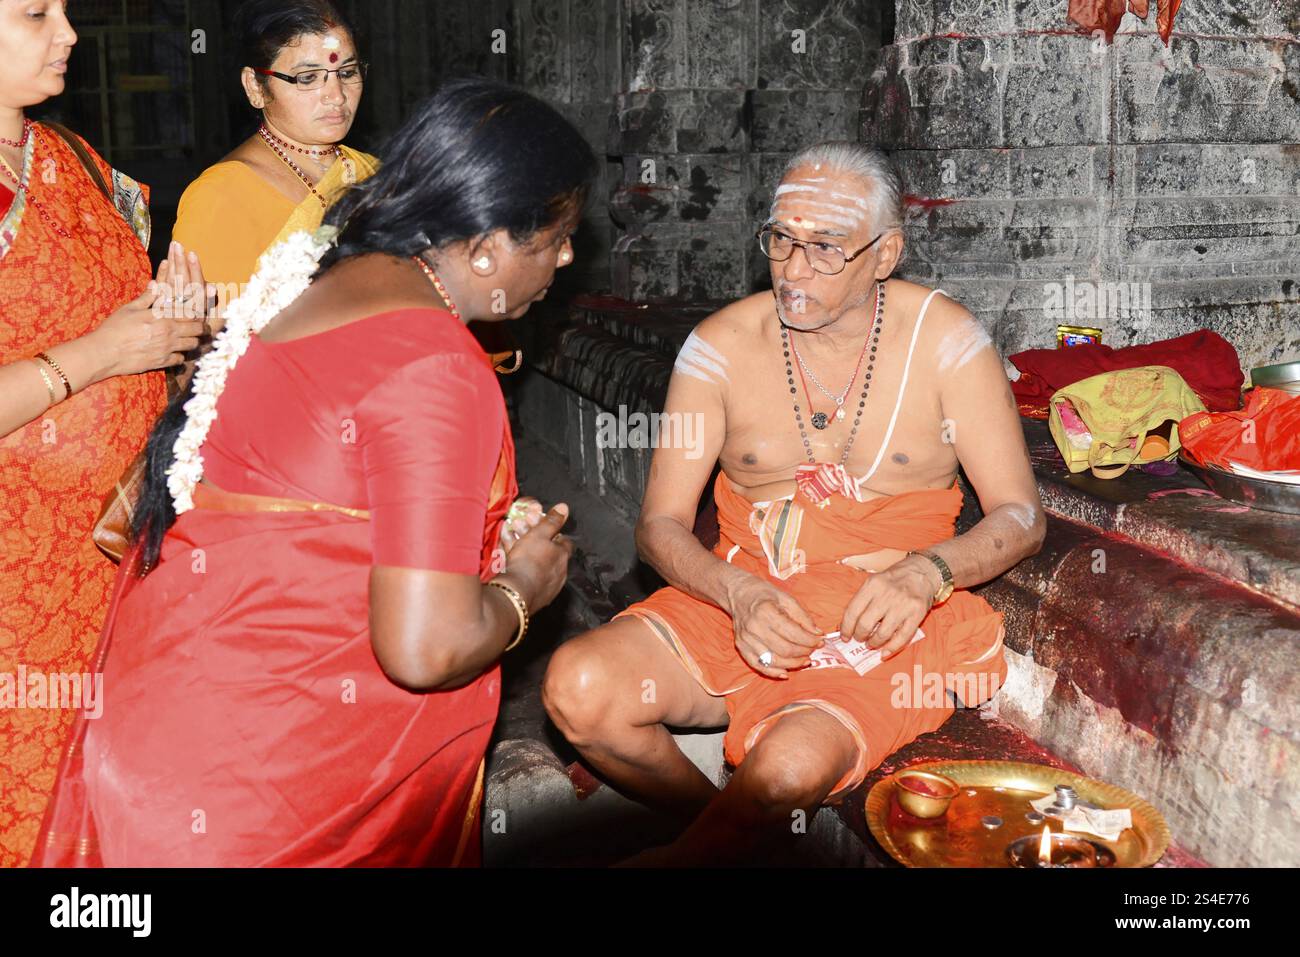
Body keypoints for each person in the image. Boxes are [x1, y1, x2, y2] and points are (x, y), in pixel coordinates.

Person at [32, 75, 598, 867]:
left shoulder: (324, 286)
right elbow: (423, 647)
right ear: (486, 244)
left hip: (175, 733)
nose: (569, 256)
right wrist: (521, 590)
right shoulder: (437, 363)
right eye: (558, 234)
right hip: (276, 789)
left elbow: (323, 504)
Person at [543, 141, 1046, 865]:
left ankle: (728, 836)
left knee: (783, 771)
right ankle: (726, 831)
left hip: (880, 616)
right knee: (578, 688)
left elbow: (1020, 516)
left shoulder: (946, 343)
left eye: (825, 246)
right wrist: (737, 593)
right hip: (741, 595)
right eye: (781, 239)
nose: (794, 268)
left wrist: (926, 574)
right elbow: (659, 525)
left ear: (884, 253)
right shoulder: (718, 348)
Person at [0, 0, 207, 868]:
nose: (70, 34)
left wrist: (167, 326)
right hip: (19, 585)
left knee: (124, 802)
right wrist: (99, 352)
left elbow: (118, 321)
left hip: (119, 548)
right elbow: (93, 342)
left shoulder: (73, 158)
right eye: (35, 14)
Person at [172, 0, 379, 319]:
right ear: (255, 86)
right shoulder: (222, 196)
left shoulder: (376, 174)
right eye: (308, 78)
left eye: (347, 73)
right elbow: (209, 348)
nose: (336, 96)